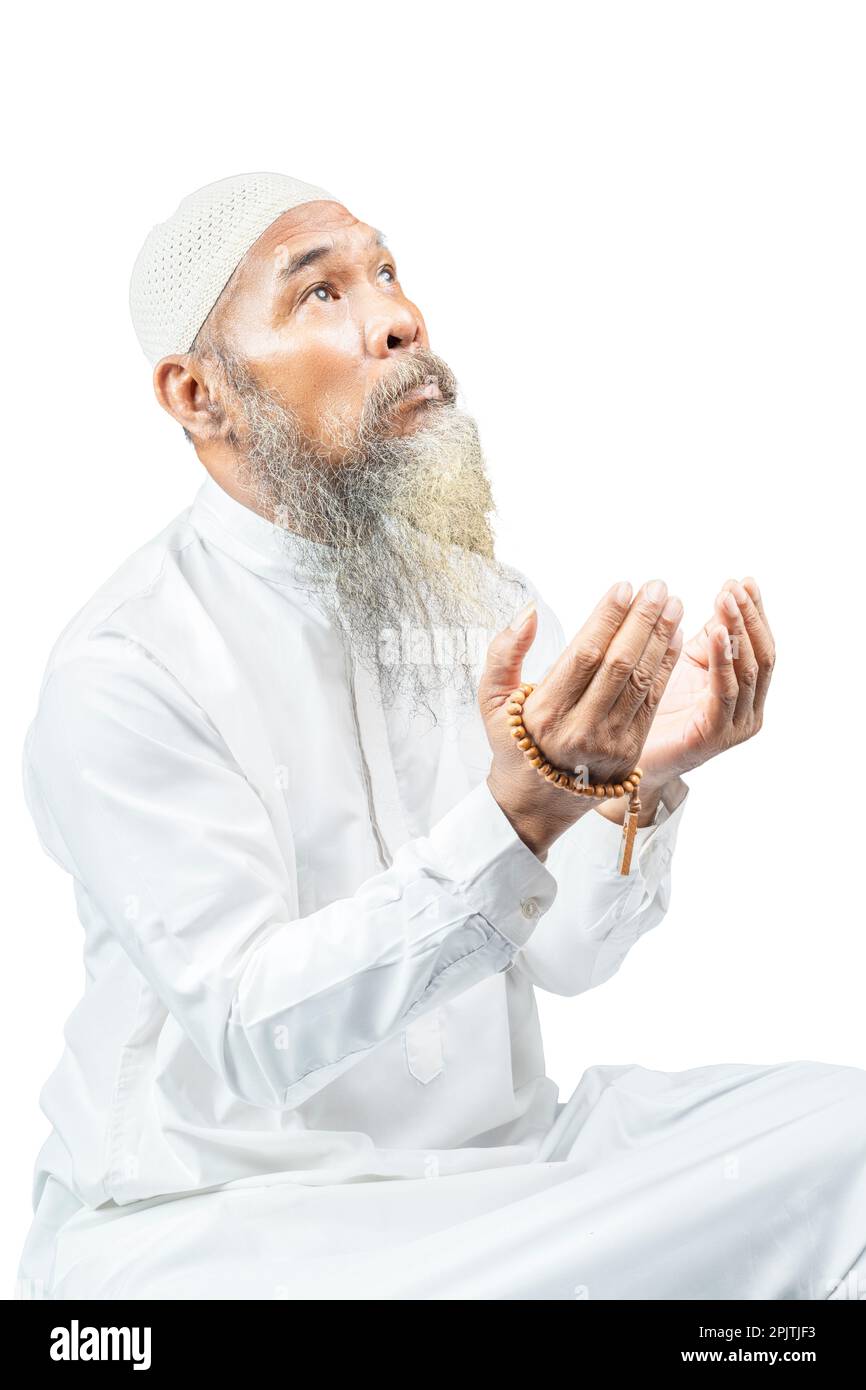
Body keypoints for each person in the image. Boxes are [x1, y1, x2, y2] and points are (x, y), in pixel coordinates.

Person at [15, 173, 865, 1301]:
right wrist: (516, 812)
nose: (396, 316)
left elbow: (564, 958)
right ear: (196, 393)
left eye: (383, 272)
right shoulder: (127, 666)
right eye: (317, 292)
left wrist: (628, 785)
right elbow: (251, 1032)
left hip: (502, 1181)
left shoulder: (481, 604)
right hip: (230, 1228)